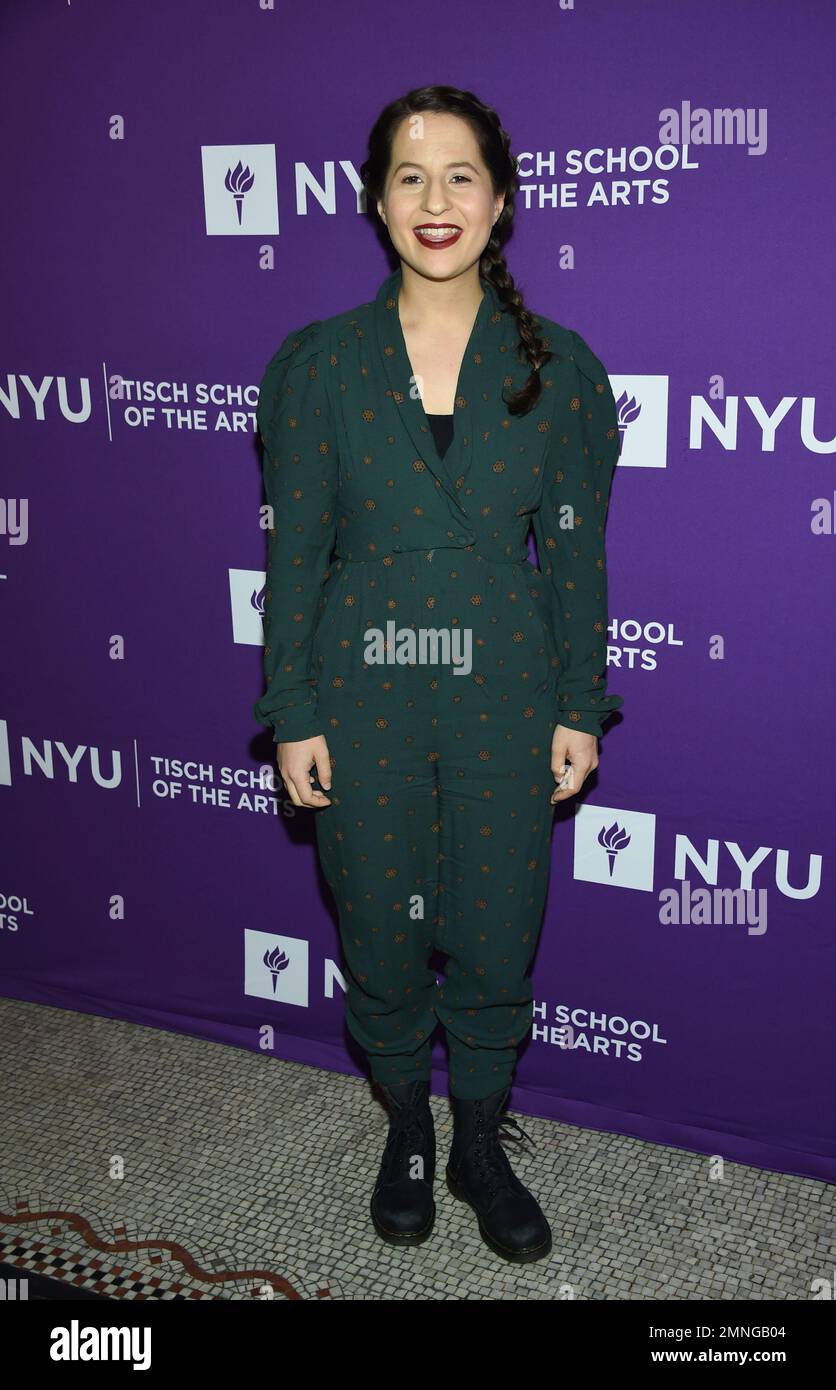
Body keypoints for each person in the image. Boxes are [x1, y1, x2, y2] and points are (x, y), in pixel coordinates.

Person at [253, 85, 623, 1265]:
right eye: (409, 177)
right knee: (378, 930)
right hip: (359, 700)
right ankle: (407, 1130)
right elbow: (293, 555)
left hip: (505, 697)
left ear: (500, 200)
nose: (434, 200)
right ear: (373, 201)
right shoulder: (315, 366)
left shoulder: (558, 368)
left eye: (459, 175)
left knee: (497, 932)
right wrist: (292, 712)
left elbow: (573, 558)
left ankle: (475, 1143)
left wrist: (578, 704)